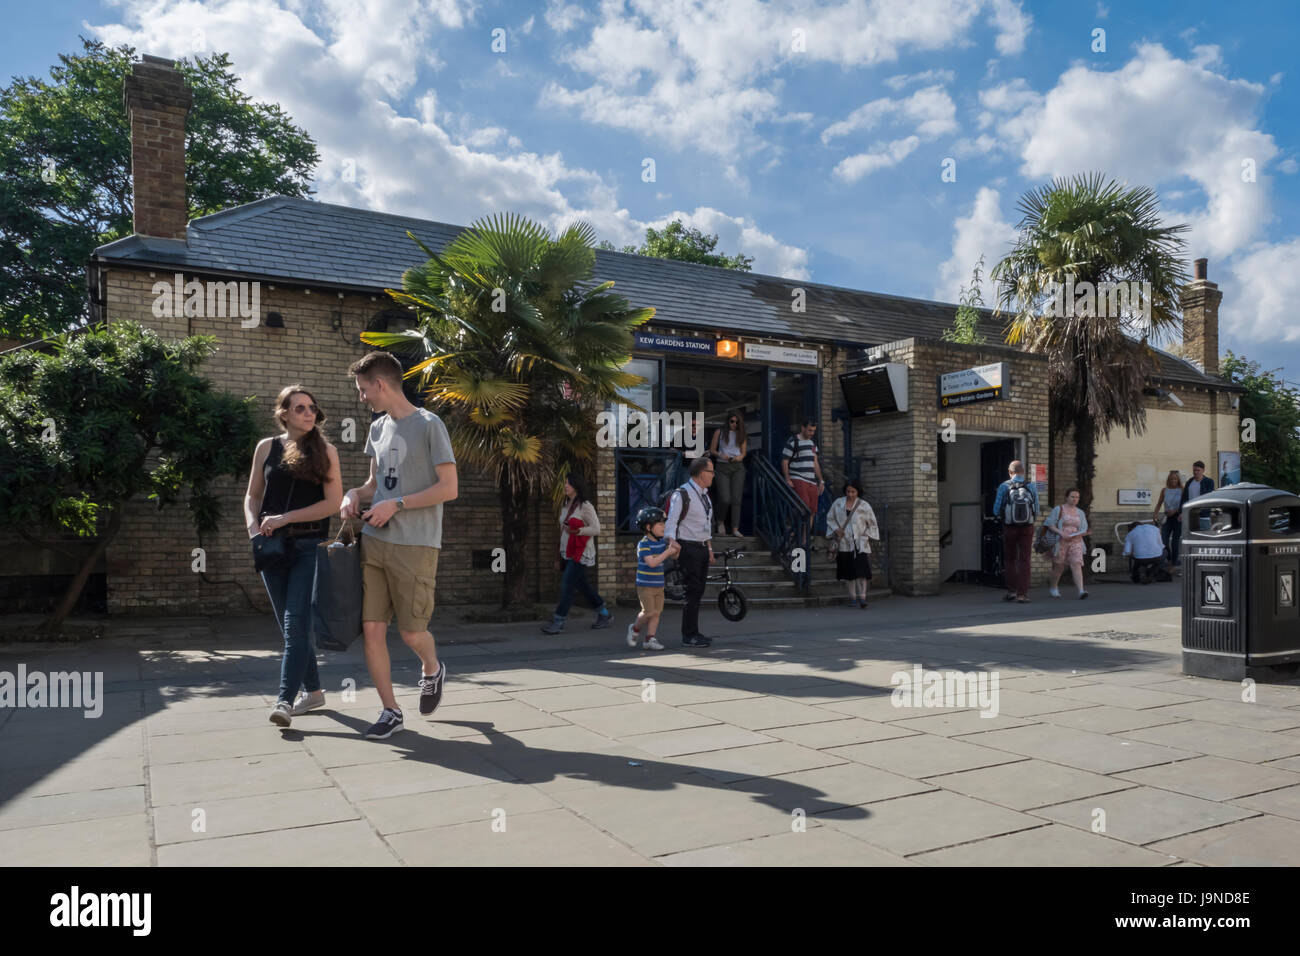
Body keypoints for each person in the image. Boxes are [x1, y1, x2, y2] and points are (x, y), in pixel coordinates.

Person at [342, 351, 458, 740]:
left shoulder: (429, 425)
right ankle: (391, 710)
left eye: (363, 390)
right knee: (372, 629)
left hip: (416, 544)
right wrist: (353, 495)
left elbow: (449, 488)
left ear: (381, 384)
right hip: (374, 541)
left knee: (411, 633)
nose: (362, 398)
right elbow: (375, 486)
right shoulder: (377, 429)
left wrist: (399, 504)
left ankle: (432, 668)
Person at [245, 385, 344, 728]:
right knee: (293, 629)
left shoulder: (326, 451)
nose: (308, 413)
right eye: (299, 408)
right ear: (283, 413)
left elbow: (332, 504)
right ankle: (314, 692)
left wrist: (285, 518)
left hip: (307, 546)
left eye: (312, 408)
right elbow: (253, 497)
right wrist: (253, 529)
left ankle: (284, 701)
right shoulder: (266, 447)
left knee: (295, 623)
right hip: (271, 546)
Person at [541, 473, 613, 634]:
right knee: (583, 586)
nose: (565, 486)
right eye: (565, 482)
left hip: (581, 553)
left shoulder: (585, 506)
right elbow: (563, 530)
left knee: (567, 586)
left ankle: (558, 621)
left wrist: (578, 530)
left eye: (568, 483)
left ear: (576, 486)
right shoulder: (566, 504)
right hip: (567, 551)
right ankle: (604, 614)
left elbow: (596, 529)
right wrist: (558, 553)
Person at [664, 456, 716, 647]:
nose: (713, 475)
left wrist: (709, 548)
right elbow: (671, 521)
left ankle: (694, 632)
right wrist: (672, 543)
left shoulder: (704, 495)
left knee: (698, 590)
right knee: (692, 591)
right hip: (688, 547)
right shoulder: (682, 494)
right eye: (711, 471)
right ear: (702, 473)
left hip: (701, 547)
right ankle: (689, 635)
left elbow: (706, 526)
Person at [626, 506, 679, 651]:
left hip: (658, 584)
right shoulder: (643, 544)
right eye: (660, 524)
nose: (664, 527)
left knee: (656, 612)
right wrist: (668, 552)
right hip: (645, 585)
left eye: (664, 523)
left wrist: (676, 550)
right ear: (649, 527)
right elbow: (652, 563)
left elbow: (674, 557)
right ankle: (635, 628)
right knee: (648, 612)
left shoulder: (662, 542)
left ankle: (650, 638)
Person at [825, 480, 880, 608]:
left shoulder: (864, 505)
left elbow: (872, 523)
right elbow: (830, 518)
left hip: (859, 543)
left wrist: (866, 534)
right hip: (844, 542)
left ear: (858, 492)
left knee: (862, 572)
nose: (850, 494)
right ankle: (852, 598)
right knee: (849, 573)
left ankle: (863, 597)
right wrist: (836, 529)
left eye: (853, 492)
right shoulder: (838, 503)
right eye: (848, 491)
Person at [993, 459, 1039, 603]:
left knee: (1010, 559)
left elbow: (996, 509)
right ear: (1023, 472)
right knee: (1025, 560)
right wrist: (1031, 520)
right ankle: (1023, 594)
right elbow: (1036, 509)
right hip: (1027, 527)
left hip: (1010, 526)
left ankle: (1011, 591)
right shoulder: (1031, 486)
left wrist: (1003, 517)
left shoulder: (1004, 486)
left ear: (1010, 472)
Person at [781, 419, 825, 535]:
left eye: (814, 431)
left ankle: (805, 539)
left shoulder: (812, 444)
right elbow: (785, 461)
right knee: (804, 507)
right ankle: (792, 528)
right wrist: (787, 478)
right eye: (810, 430)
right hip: (798, 477)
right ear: (803, 428)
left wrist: (821, 480)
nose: (812, 433)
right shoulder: (793, 441)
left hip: (812, 480)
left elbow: (815, 462)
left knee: (812, 510)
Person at [1044, 488, 1089, 599]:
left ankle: (1081, 590)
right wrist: (1061, 533)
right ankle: (1053, 587)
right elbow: (1050, 524)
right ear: (1067, 497)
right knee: (1059, 566)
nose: (1075, 499)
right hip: (1061, 541)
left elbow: (1084, 527)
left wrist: (1079, 534)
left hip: (1076, 541)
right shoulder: (1058, 509)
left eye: (1077, 497)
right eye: (1072, 497)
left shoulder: (1080, 513)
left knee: (1076, 564)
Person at [709, 412, 748, 537]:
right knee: (725, 498)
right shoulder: (719, 432)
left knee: (736, 499)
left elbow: (743, 452)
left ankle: (735, 528)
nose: (734, 424)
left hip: (737, 466)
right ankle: (720, 522)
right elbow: (712, 450)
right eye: (732, 421)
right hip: (722, 466)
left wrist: (739, 458)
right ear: (727, 421)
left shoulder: (741, 434)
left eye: (737, 422)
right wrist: (721, 455)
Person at [1153, 470, 1184, 572]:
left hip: (1178, 518)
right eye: (1171, 479)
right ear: (1168, 480)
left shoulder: (1182, 490)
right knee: (1164, 541)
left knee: (1175, 542)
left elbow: (1184, 505)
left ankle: (1174, 564)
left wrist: (1175, 510)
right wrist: (1155, 513)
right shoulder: (1164, 490)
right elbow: (1159, 504)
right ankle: (1169, 559)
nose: (1173, 480)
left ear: (1178, 480)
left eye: (1175, 479)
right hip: (1167, 518)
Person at [1181, 460, 1215, 532]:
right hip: (1190, 514)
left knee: (1205, 537)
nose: (1195, 472)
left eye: (1198, 470)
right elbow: (1184, 497)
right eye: (1194, 470)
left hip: (1203, 515)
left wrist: (1205, 510)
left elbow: (1210, 498)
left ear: (1203, 470)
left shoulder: (1209, 482)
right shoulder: (1189, 482)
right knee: (1191, 536)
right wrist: (1181, 512)